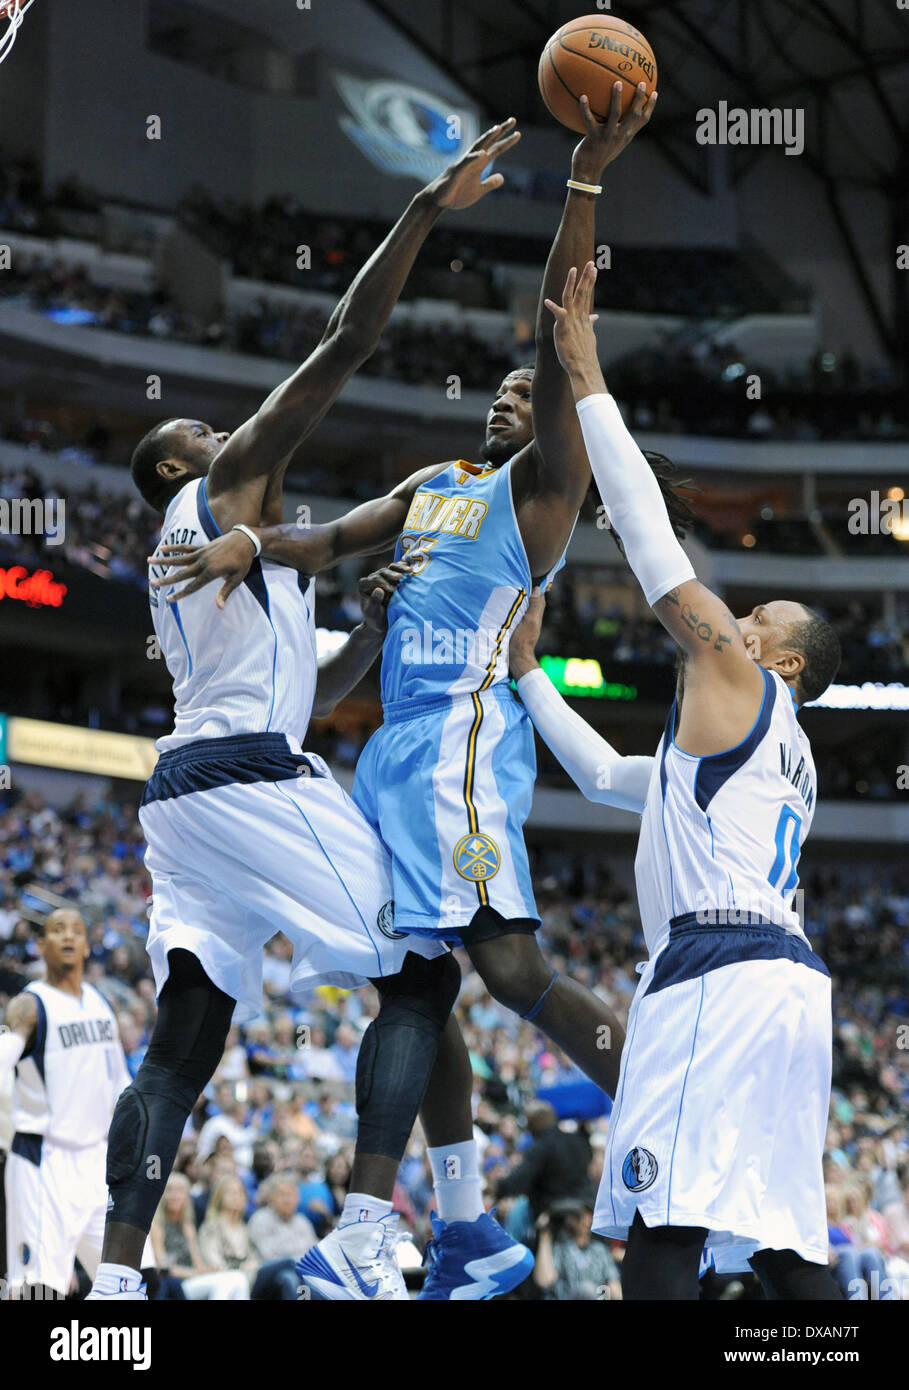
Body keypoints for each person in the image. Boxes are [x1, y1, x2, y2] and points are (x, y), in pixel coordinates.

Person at [151, 86, 660, 1299]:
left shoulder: (540, 493)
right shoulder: (438, 479)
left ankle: (671, 1093)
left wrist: (583, 182)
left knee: (510, 973)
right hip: (388, 754)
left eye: (525, 396)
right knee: (412, 978)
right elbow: (322, 541)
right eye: (498, 391)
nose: (506, 395)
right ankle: (464, 1227)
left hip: (462, 749)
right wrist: (247, 548)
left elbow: (551, 331)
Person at [88, 121, 533, 1303]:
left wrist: (374, 636)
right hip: (244, 779)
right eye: (206, 430)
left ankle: (117, 1283)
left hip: (191, 800)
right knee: (423, 970)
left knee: (185, 1035)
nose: (230, 433)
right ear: (188, 463)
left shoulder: (237, 556)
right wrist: (426, 211)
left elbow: (313, 695)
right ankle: (365, 1229)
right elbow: (345, 339)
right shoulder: (214, 489)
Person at [505, 256, 845, 1300]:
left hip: (722, 970)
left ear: (784, 661)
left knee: (661, 1215)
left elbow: (656, 556)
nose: (743, 622)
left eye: (764, 625)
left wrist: (589, 374)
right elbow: (614, 773)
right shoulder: (777, 754)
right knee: (784, 1239)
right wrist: (524, 675)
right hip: (789, 989)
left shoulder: (743, 680)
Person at [0, 907, 154, 1299]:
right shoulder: (29, 1005)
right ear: (41, 945)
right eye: (57, 930)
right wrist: (10, 1131)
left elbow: (119, 1081)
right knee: (37, 1291)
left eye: (76, 930)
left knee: (138, 1282)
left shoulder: (101, 1002)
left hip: (97, 1163)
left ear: (87, 946)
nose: (67, 936)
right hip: (44, 1161)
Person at [151, 1172, 247, 1300]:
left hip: (193, 1280)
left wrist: (209, 1269)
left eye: (180, 1191)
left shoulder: (188, 1226)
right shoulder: (157, 1226)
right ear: (162, 1195)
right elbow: (163, 1268)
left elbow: (198, 1264)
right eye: (170, 1190)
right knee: (226, 1282)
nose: (175, 1196)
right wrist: (195, 1273)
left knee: (238, 1277)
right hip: (175, 1284)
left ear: (187, 1196)